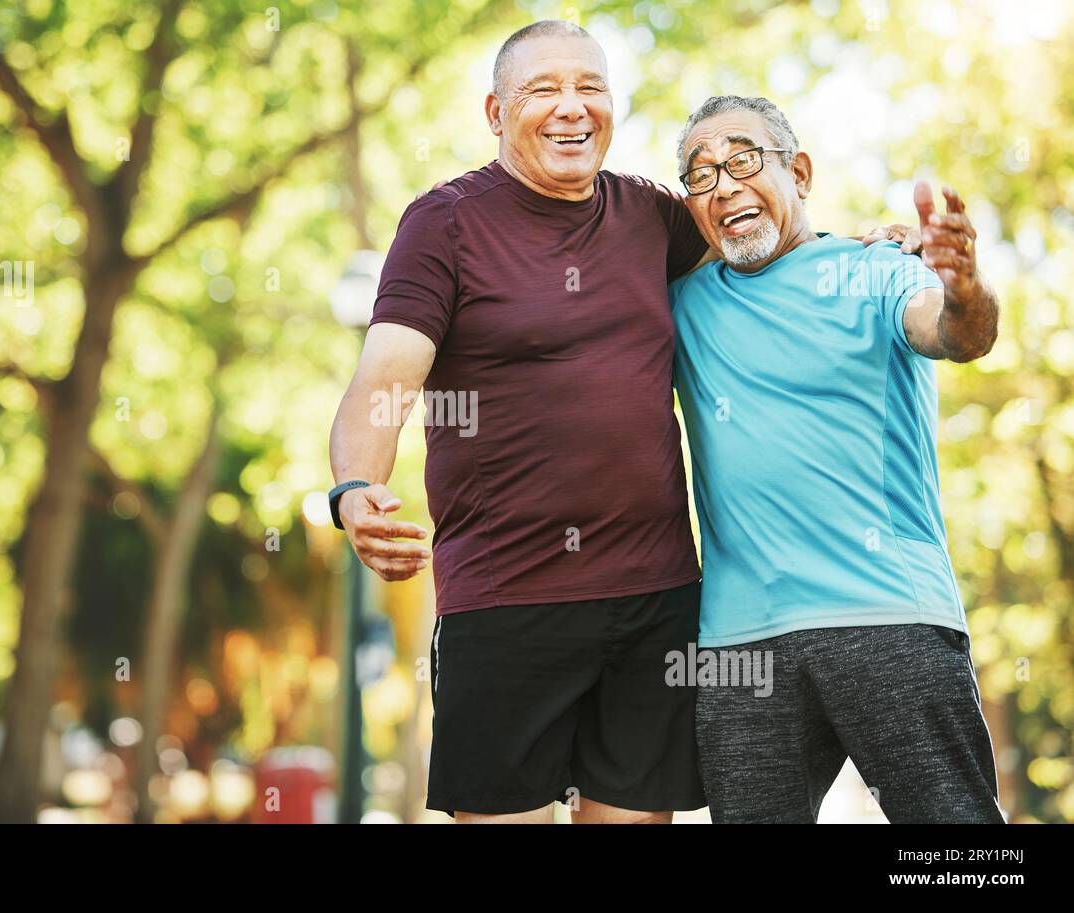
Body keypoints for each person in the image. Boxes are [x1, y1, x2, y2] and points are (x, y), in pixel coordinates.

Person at [328, 21, 913, 824]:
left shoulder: (652, 216)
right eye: (543, 91)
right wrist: (356, 486)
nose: (571, 108)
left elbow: (761, 235)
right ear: (496, 112)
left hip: (657, 603)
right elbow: (384, 378)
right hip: (506, 600)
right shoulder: (446, 224)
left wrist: (873, 243)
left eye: (590, 88)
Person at [669, 94, 1005, 823]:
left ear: (801, 171)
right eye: (700, 175)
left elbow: (954, 332)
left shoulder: (876, 270)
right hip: (740, 644)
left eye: (742, 160)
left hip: (890, 616)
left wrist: (964, 288)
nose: (723, 185)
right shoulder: (679, 304)